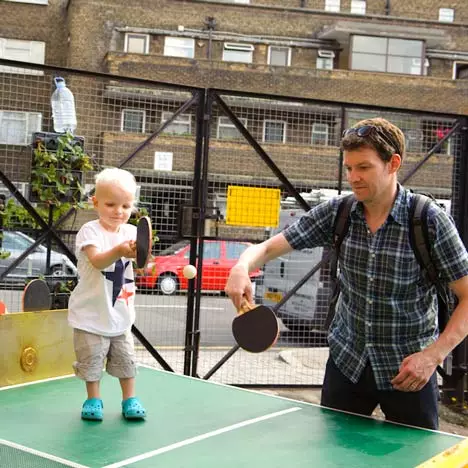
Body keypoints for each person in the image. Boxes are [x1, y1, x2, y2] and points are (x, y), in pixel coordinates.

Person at [225, 118, 468, 430]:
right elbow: (268, 248)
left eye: (364, 167)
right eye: (349, 168)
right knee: (336, 458)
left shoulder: (428, 220)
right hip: (346, 364)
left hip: (410, 370)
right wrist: (241, 267)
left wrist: (432, 357)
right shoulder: (338, 212)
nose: (353, 177)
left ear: (393, 163)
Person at [68, 167, 146, 421]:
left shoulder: (132, 233)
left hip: (121, 314)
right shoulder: (90, 231)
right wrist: (120, 251)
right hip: (90, 316)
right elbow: (98, 261)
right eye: (111, 204)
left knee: (126, 362)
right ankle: (93, 399)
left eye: (125, 205)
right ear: (96, 202)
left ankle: (129, 399)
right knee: (91, 365)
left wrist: (142, 255)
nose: (118, 211)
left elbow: (143, 263)